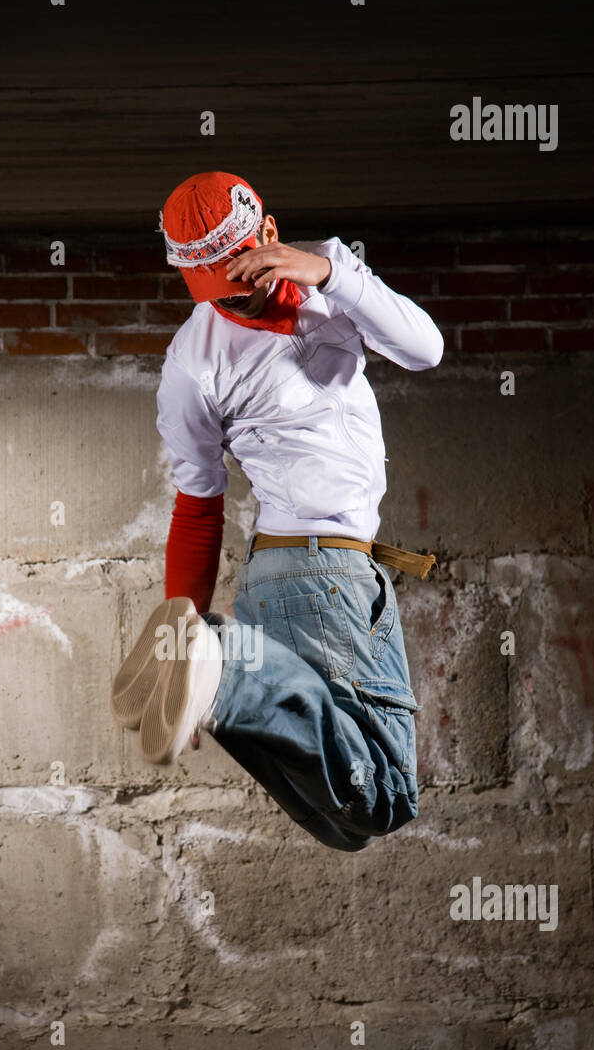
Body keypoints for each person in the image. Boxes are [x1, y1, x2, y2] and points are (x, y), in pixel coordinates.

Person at [111, 171, 443, 852]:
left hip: (296, 582)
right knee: (385, 790)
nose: (234, 302)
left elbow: (424, 349)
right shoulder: (192, 363)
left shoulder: (333, 285)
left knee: (344, 823)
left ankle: (227, 680)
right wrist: (187, 624)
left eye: (243, 278)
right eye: (214, 291)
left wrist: (332, 270)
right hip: (316, 575)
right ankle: (226, 664)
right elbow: (198, 508)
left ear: (266, 235)